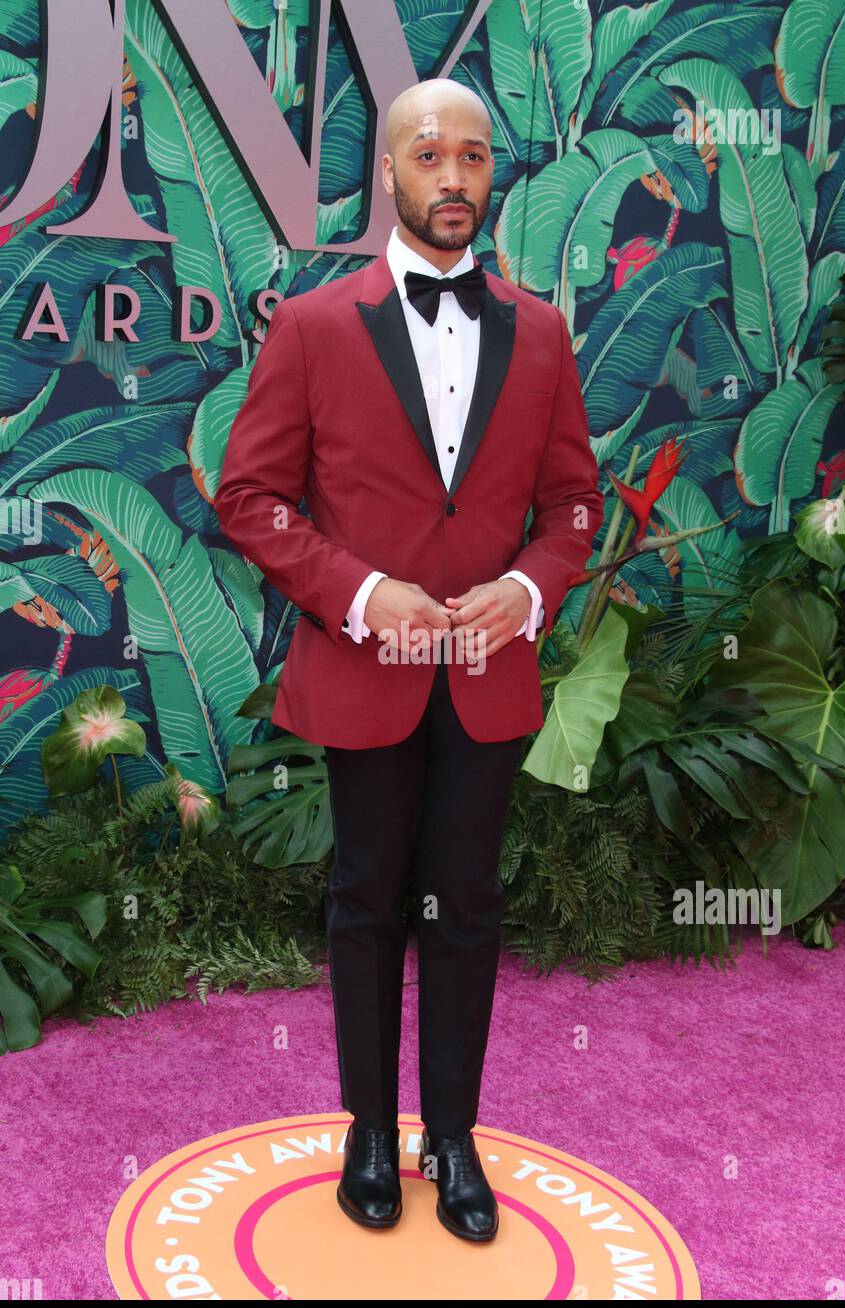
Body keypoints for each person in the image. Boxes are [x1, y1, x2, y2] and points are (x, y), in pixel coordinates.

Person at [215, 77, 603, 1243]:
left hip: (488, 679)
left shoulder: (540, 330)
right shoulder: (316, 326)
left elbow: (575, 507)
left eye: (474, 157)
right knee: (367, 899)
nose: (453, 177)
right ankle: (371, 1131)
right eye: (428, 155)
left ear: (494, 175)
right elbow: (249, 496)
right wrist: (363, 591)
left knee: (469, 906)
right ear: (388, 173)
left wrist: (529, 589)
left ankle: (453, 1133)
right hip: (364, 669)